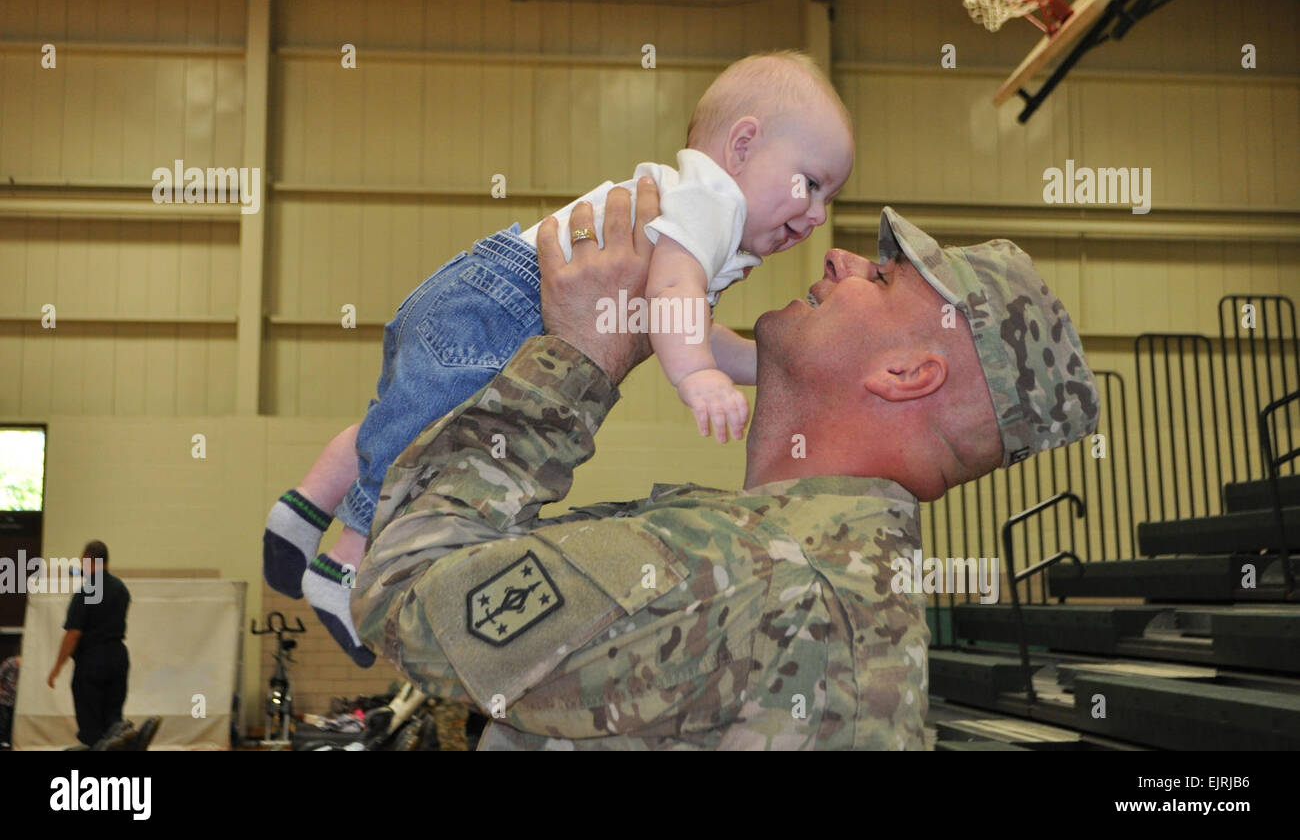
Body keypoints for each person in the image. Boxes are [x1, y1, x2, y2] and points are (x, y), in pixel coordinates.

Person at [349, 183, 1100, 749]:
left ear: (907, 373)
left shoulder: (752, 573)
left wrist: (581, 358)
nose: (838, 257)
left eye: (878, 278)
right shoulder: (791, 562)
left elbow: (404, 595)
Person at [263, 51, 856, 667]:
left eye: (829, 196)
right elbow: (674, 296)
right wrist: (698, 375)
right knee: (419, 446)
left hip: (475, 291)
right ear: (743, 143)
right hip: (505, 306)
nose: (817, 214)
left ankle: (300, 512)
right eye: (810, 183)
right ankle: (343, 566)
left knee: (396, 421)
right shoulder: (714, 200)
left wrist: (769, 364)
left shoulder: (697, 211)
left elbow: (687, 323)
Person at [47, 541, 131, 748]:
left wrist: (57, 667)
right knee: (113, 721)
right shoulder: (121, 589)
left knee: (91, 724)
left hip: (92, 661)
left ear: (88, 560)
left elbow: (73, 634)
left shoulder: (87, 591)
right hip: (118, 657)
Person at [0, 650, 18, 747]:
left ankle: (9, 741)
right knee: (3, 720)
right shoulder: (10, 662)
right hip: (4, 698)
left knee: (12, 721)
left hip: (17, 701)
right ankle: (2, 740)